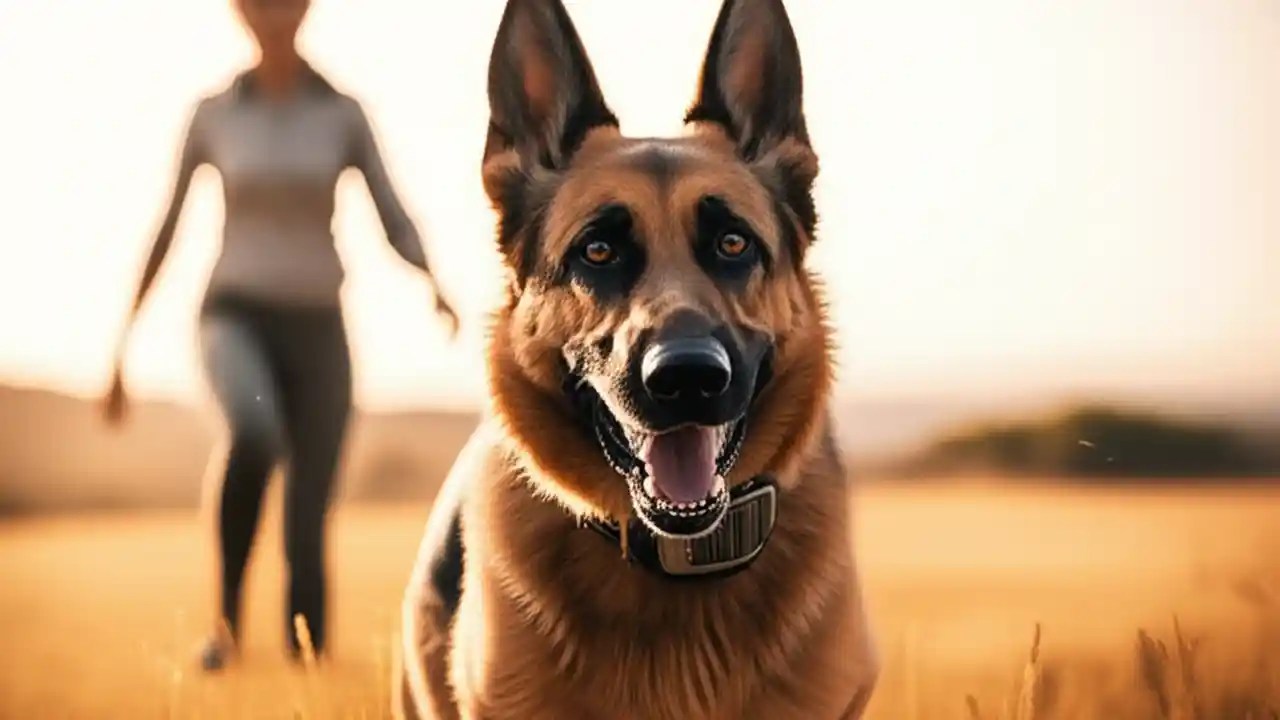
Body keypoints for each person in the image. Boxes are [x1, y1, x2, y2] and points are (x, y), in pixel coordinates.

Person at [101, 0, 458, 671]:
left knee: (308, 511)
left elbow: (392, 210)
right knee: (255, 433)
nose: (271, 13)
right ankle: (226, 629)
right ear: (240, 13)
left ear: (304, 9)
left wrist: (431, 279)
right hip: (234, 314)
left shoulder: (342, 113)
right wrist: (123, 342)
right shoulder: (214, 113)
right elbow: (167, 224)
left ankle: (309, 658)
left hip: (318, 325)